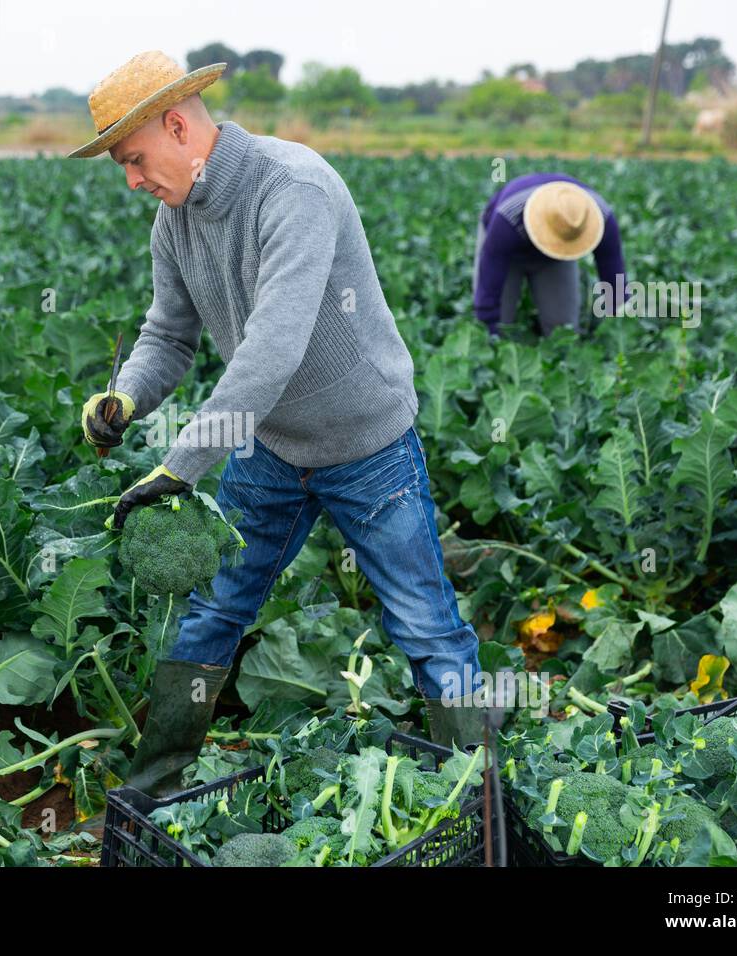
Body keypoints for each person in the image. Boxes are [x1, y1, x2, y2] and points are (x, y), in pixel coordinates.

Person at [72, 51, 484, 797]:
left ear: (176, 126)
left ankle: (471, 793)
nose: (132, 179)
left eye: (133, 159)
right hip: (266, 447)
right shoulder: (176, 219)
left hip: (368, 446)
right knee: (212, 610)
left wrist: (180, 466)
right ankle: (156, 788)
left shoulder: (292, 189)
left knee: (424, 622)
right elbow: (167, 334)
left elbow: (273, 349)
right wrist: (126, 400)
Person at [472, 173, 626, 337]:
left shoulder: (600, 218)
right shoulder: (508, 219)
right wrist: (489, 330)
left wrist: (620, 325)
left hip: (554, 261)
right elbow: (488, 285)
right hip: (508, 256)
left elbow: (613, 275)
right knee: (501, 322)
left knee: (562, 330)